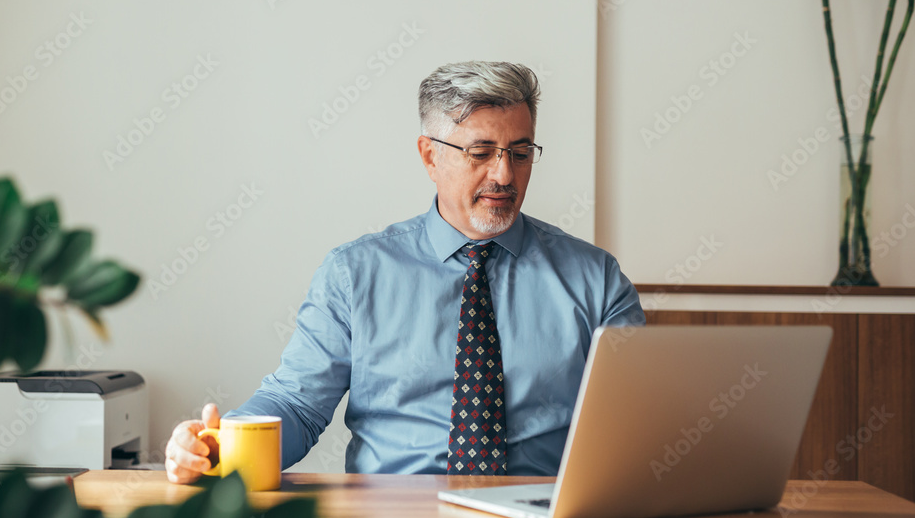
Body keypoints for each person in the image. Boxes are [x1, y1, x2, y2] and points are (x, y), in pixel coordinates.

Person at [165, 60, 644, 483]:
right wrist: (220, 447)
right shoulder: (354, 273)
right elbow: (297, 404)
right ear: (430, 155)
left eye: (520, 152)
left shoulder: (595, 280)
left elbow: (637, 422)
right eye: (480, 152)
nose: (504, 175)